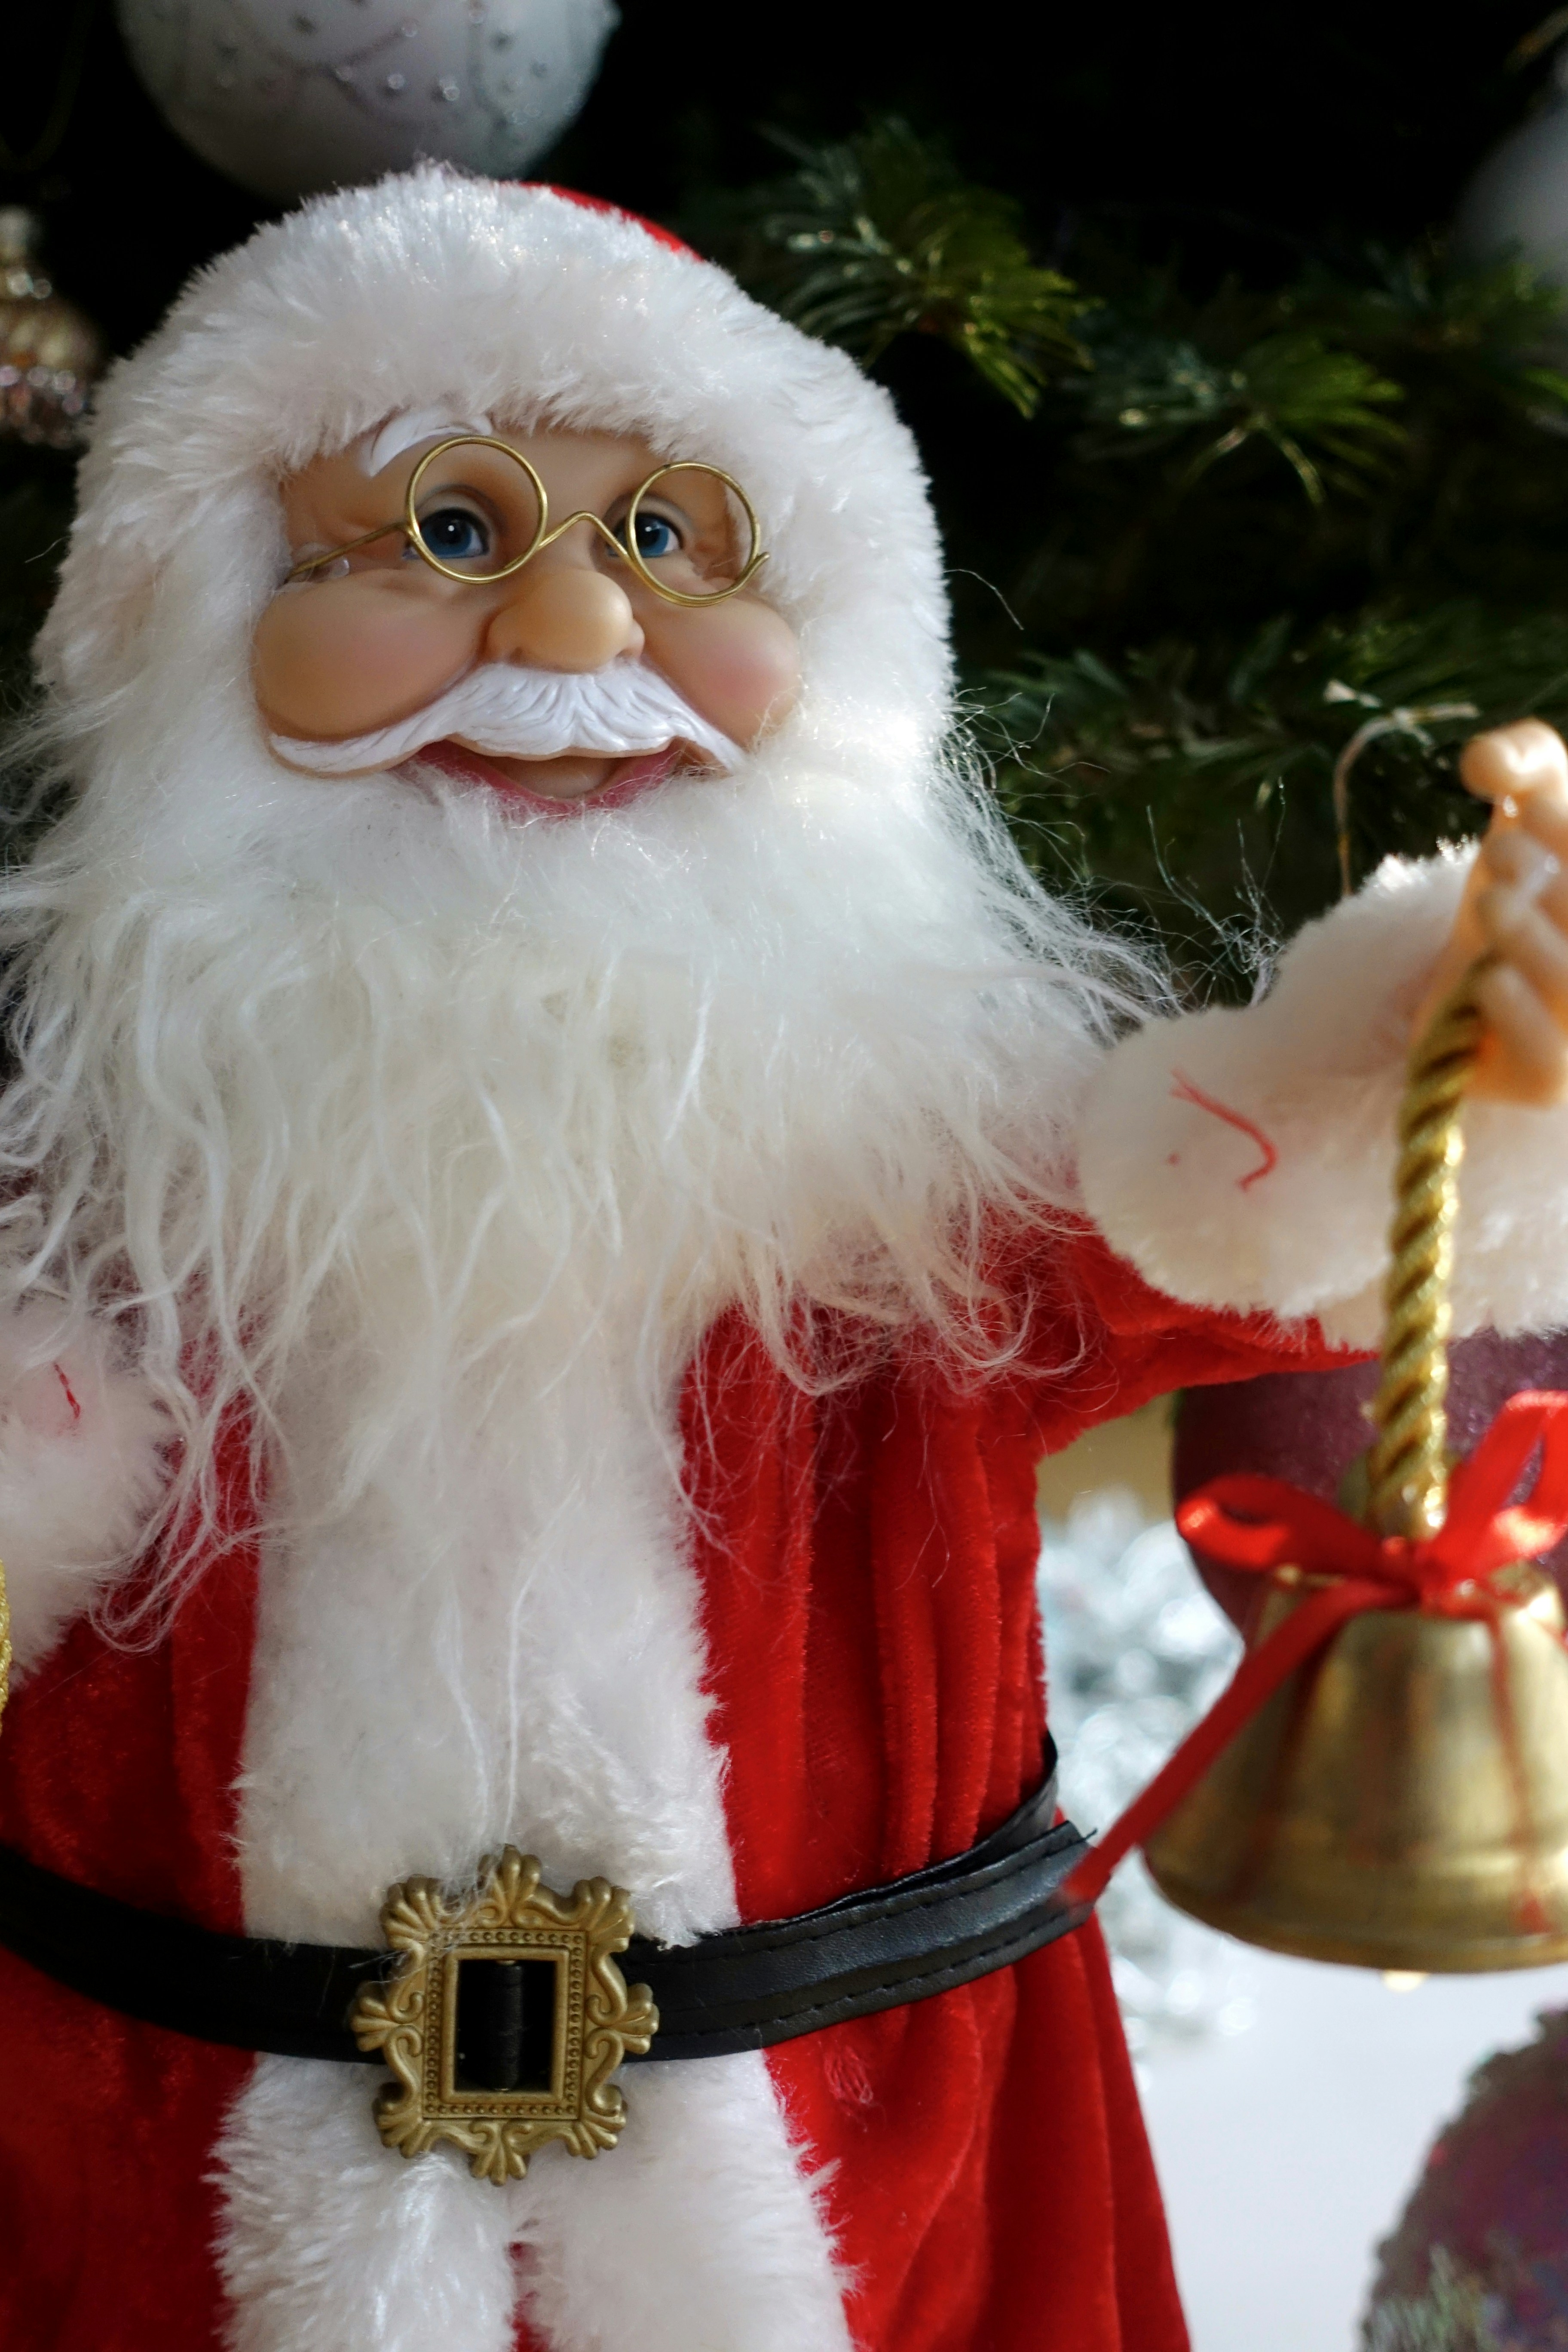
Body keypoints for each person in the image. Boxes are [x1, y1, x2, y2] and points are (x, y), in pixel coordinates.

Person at [1, 170, 1568, 2352]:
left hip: (869, 2176)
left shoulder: (896, 1175)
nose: (570, 644)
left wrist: (1433, 1048)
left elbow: (1213, 1200)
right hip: (150, 2187)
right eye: (449, 536)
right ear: (207, 617)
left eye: (667, 541)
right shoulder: (91, 1188)